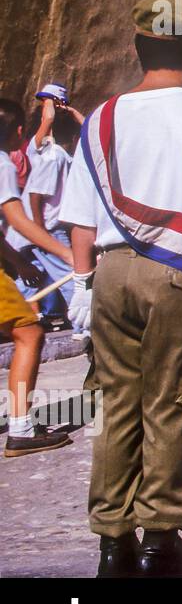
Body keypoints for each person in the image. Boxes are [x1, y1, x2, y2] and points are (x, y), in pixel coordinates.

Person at [61, 0, 182, 577]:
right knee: (170, 403)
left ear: (139, 47)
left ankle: (111, 545)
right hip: (181, 275)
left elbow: (81, 216)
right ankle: (158, 544)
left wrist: (80, 281)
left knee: (115, 406)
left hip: (110, 274)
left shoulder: (100, 119)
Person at [0, 98, 77, 458]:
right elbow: (17, 221)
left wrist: (17, 263)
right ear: (17, 132)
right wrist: (64, 253)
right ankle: (21, 428)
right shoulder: (2, 163)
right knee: (30, 333)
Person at [11, 88, 83, 329]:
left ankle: (14, 319)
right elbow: (36, 195)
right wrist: (40, 231)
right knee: (70, 275)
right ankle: (84, 327)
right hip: (46, 228)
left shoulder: (56, 154)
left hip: (40, 228)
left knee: (30, 275)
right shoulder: (51, 154)